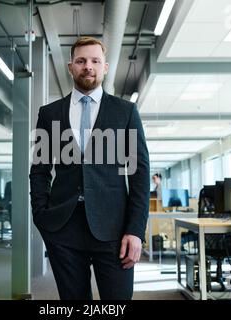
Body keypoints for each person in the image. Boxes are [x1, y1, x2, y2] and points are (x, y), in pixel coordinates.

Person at [29, 36, 149, 300]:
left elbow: (139, 174)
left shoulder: (125, 112)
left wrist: (136, 230)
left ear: (105, 68)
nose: (88, 66)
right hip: (64, 227)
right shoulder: (49, 113)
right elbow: (39, 170)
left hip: (114, 229)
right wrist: (41, 215)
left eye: (95, 61)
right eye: (81, 61)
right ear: (71, 67)